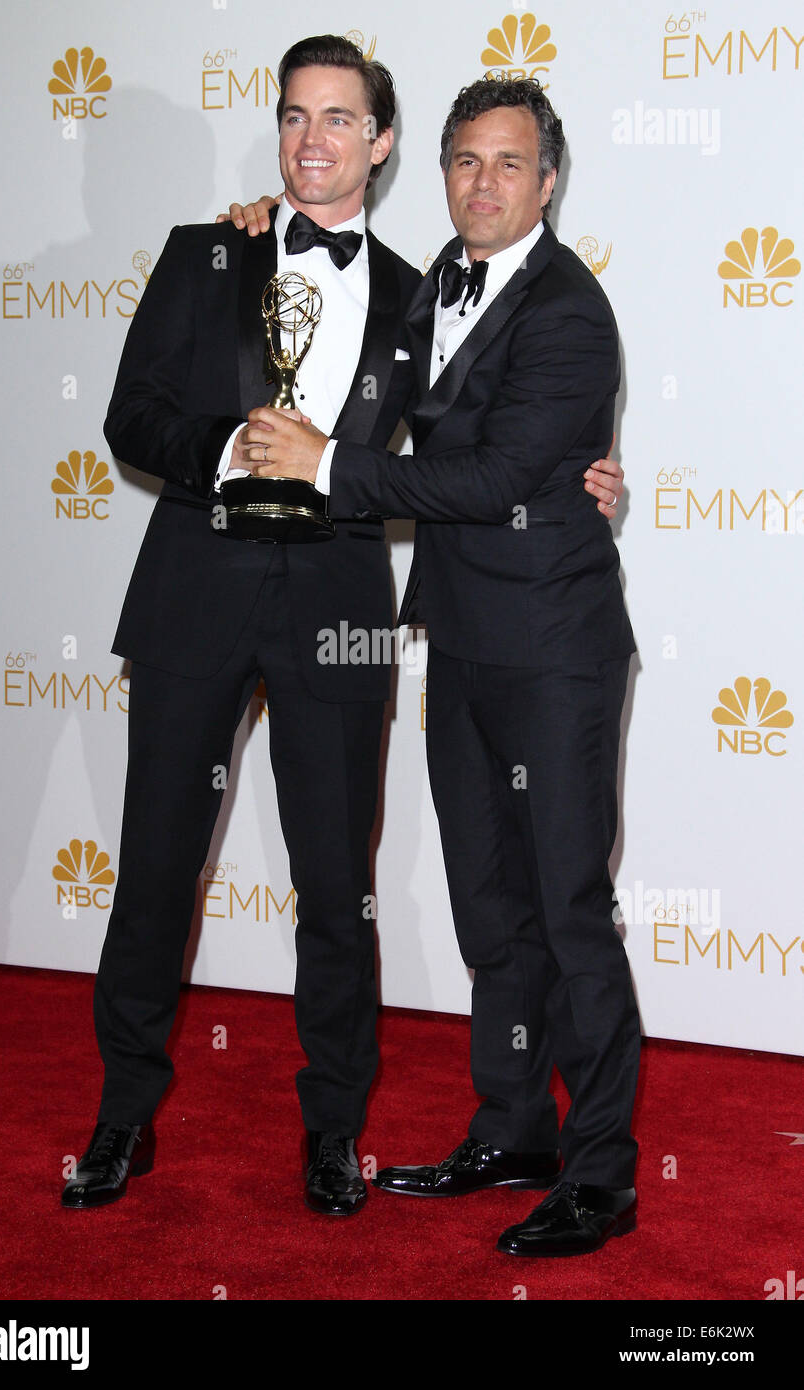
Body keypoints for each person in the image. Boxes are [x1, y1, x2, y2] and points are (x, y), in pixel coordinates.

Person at [61, 37, 622, 1220]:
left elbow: (480, 445)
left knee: (335, 884)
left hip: (338, 614)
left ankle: (332, 1129)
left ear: (376, 145)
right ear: (277, 133)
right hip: (192, 593)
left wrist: (585, 472)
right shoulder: (206, 251)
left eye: (338, 119)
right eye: (293, 118)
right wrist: (228, 451)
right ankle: (120, 1118)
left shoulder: (422, 291)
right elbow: (130, 415)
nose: (311, 140)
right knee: (154, 870)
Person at [239, 76, 641, 1256]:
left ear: (548, 179)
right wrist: (248, 239)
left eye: (506, 163)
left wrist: (325, 470)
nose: (480, 182)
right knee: (488, 911)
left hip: (555, 651)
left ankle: (605, 1172)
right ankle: (514, 1127)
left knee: (567, 908)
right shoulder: (431, 290)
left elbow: (483, 481)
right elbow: (350, 341)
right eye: (464, 159)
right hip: (460, 644)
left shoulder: (569, 313)